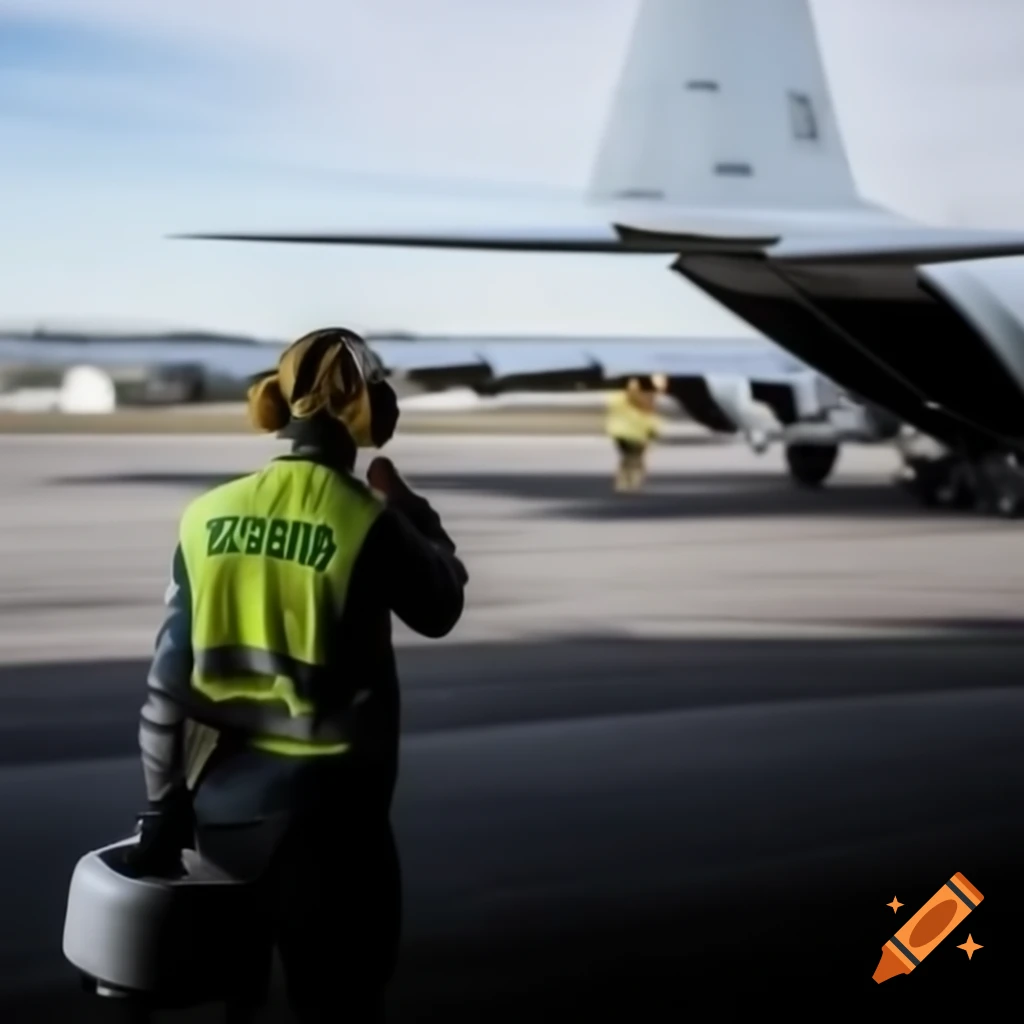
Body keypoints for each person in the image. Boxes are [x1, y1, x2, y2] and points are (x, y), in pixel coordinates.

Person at [125, 327, 468, 1022]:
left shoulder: (205, 516)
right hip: (334, 825)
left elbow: (166, 688)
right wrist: (423, 526)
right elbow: (440, 607)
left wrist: (161, 805)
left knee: (237, 1000)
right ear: (366, 406)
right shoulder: (369, 522)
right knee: (338, 1002)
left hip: (220, 817)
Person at [605, 376, 662, 492]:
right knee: (636, 458)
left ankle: (624, 482)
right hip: (636, 431)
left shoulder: (615, 395)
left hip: (619, 431)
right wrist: (654, 430)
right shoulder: (646, 395)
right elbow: (648, 414)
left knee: (628, 457)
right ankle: (631, 482)